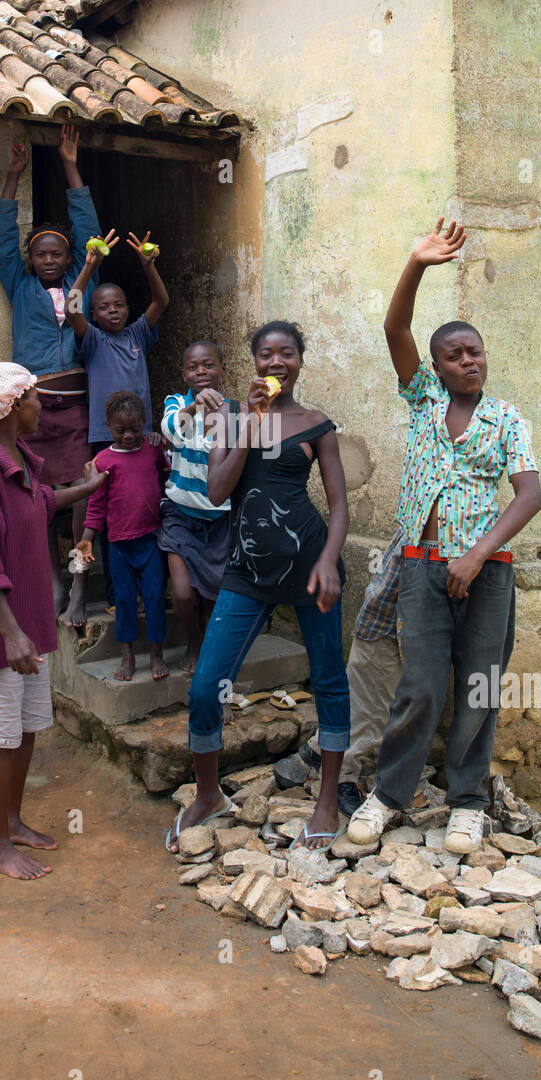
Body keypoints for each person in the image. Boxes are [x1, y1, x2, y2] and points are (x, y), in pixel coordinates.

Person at [347, 218, 541, 855]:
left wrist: (478, 555)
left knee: (479, 684)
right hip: (422, 566)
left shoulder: (507, 418)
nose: (468, 362)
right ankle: (389, 794)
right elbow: (394, 328)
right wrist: (417, 263)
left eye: (475, 352)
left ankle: (466, 800)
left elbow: (530, 494)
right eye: (455, 355)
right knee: (422, 686)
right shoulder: (424, 401)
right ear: (434, 367)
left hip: (487, 572)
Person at [167, 321, 350, 853]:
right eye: (266, 355)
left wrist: (332, 561)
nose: (276, 363)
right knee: (206, 687)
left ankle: (329, 801)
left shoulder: (318, 425)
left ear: (299, 361)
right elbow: (219, 487)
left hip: (310, 567)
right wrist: (250, 421)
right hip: (246, 572)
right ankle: (209, 796)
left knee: (329, 680)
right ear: (254, 363)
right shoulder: (231, 418)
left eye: (286, 354)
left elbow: (338, 506)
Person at [0, 362, 107, 881]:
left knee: (25, 730)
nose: (45, 405)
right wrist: (11, 633)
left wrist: (89, 487)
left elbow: (39, 504)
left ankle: (11, 822)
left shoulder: (15, 458)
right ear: (14, 406)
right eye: (38, 397)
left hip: (25, 627)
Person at [0, 126, 116, 630]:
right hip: (34, 410)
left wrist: (69, 165)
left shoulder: (83, 283)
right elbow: (0, 242)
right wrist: (14, 173)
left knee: (88, 491)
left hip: (80, 407)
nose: (47, 260)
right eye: (39, 254)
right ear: (29, 260)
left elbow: (89, 231)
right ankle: (53, 580)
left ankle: (80, 579)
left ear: (68, 260)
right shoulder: (19, 286)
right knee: (37, 495)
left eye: (56, 255)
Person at [65, 228, 169, 611]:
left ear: (128, 309)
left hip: (142, 439)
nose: (113, 311)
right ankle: (112, 592)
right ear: (94, 314)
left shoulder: (139, 333)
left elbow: (161, 299)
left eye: (119, 305)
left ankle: (152, 587)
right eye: (105, 307)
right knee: (107, 515)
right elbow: (71, 306)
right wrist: (90, 266)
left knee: (145, 509)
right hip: (104, 442)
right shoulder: (92, 340)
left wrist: (148, 265)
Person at [280, 530, 404, 819]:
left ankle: (319, 749)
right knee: (376, 661)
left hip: (448, 549)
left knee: (386, 666)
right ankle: (339, 768)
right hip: (412, 553)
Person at [75, 391, 171, 683]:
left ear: (144, 422)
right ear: (108, 426)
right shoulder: (103, 461)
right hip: (118, 545)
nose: (128, 435)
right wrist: (87, 537)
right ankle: (127, 656)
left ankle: (156, 654)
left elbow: (167, 481)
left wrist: (160, 442)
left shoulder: (153, 451)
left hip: (152, 540)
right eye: (120, 430)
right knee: (124, 600)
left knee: (155, 597)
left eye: (135, 428)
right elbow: (97, 503)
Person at [158, 340, 234, 673]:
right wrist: (194, 409)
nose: (201, 372)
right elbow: (171, 432)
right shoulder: (176, 404)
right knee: (183, 593)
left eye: (208, 365)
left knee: (216, 596)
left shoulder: (233, 411)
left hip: (221, 519)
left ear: (221, 369)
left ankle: (212, 651)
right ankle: (193, 640)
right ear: (183, 374)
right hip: (180, 515)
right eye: (193, 367)